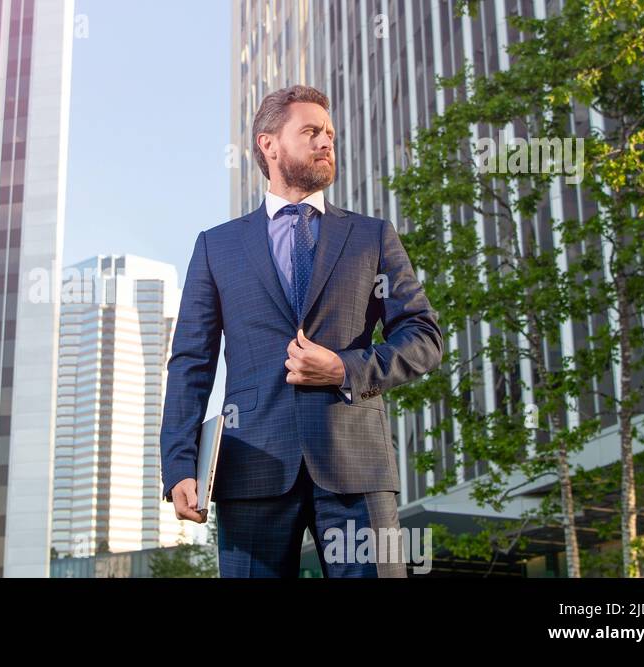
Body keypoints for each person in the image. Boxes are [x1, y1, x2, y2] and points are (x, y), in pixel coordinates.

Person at [160, 85, 443, 577]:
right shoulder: (216, 247)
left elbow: (423, 337)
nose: (326, 142)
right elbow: (190, 362)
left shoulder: (372, 236)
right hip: (252, 468)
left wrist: (345, 368)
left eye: (330, 133)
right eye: (311, 131)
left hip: (357, 468)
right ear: (268, 145)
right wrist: (180, 463)